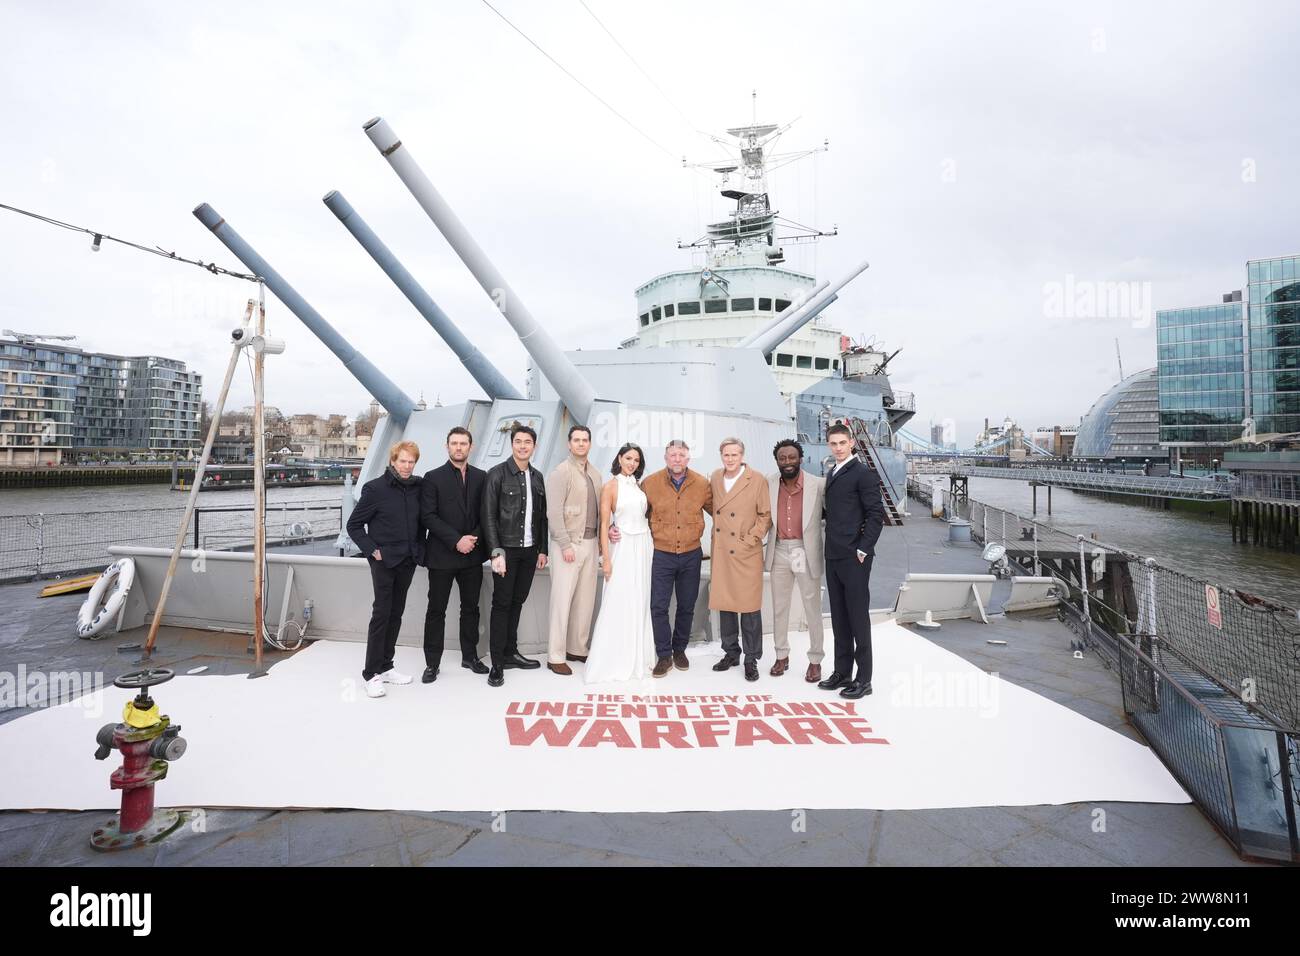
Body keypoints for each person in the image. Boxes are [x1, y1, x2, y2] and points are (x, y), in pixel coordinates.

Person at [347, 440, 425, 699]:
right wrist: (372, 550)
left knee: (396, 613)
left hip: (407, 560)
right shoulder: (375, 489)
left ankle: (387, 666)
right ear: (393, 461)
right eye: (402, 461)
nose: (406, 466)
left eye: (411, 461)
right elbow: (354, 525)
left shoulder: (417, 488)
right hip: (383, 561)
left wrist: (418, 550)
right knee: (382, 614)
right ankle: (371, 673)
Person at [819, 422, 886, 699]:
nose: (837, 448)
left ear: (851, 444)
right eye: (833, 444)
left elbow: (875, 515)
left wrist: (863, 549)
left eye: (841, 443)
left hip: (854, 557)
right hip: (833, 554)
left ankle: (864, 679)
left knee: (858, 618)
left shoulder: (863, 474)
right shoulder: (832, 472)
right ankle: (842, 671)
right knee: (839, 617)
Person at [637, 439, 713, 678]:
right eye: (672, 455)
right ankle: (664, 654)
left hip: (691, 554)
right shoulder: (650, 483)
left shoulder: (702, 483)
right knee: (658, 606)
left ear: (688, 458)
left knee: (686, 605)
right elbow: (636, 513)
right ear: (666, 458)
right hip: (661, 553)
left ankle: (679, 650)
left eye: (681, 455)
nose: (677, 459)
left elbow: (720, 512)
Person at [481, 423, 548, 687]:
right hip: (506, 551)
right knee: (502, 604)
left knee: (517, 602)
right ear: (512, 445)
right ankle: (497, 663)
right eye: (518, 441)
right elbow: (488, 517)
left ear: (534, 446)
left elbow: (541, 517)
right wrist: (496, 553)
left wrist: (542, 548)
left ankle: (511, 653)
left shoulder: (537, 477)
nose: (522, 446)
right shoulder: (496, 474)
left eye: (527, 442)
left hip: (530, 552)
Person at [420, 426, 489, 683]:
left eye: (463, 443)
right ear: (447, 446)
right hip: (442, 555)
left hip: (472, 554)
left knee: (470, 608)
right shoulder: (432, 477)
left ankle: (470, 656)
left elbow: (487, 514)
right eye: (454, 443)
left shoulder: (482, 477)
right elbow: (428, 516)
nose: (459, 448)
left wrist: (472, 540)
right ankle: (432, 663)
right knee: (436, 610)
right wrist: (456, 540)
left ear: (470, 447)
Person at [583, 444, 655, 683]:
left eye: (636, 459)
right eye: (628, 458)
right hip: (622, 548)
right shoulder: (611, 486)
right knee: (619, 599)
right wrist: (606, 559)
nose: (632, 463)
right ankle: (613, 659)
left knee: (640, 599)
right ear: (619, 459)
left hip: (643, 545)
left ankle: (640, 656)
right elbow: (605, 523)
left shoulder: (638, 485)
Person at [708, 438, 772, 682]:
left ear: (742, 455)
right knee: (726, 604)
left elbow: (765, 515)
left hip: (746, 551)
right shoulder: (715, 477)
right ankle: (731, 652)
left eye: (735, 454)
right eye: (726, 454)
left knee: (749, 608)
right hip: (724, 549)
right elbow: (712, 505)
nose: (730, 459)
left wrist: (751, 539)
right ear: (721, 456)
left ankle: (751, 658)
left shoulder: (756, 479)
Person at [765, 439, 827, 682]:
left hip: (803, 550)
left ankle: (815, 659)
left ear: (801, 458)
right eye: (783, 458)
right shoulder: (769, 483)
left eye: (792, 457)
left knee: (811, 607)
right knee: (779, 607)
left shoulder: (818, 485)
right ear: (777, 461)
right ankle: (781, 655)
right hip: (779, 548)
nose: (787, 462)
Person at [544, 425, 603, 676]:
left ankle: (577, 648)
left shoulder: (596, 474)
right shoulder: (561, 472)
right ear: (569, 444)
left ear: (590, 444)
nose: (581, 444)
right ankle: (555, 655)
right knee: (561, 600)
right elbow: (553, 513)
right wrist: (565, 544)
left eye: (585, 440)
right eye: (576, 440)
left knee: (585, 600)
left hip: (591, 543)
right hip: (568, 545)